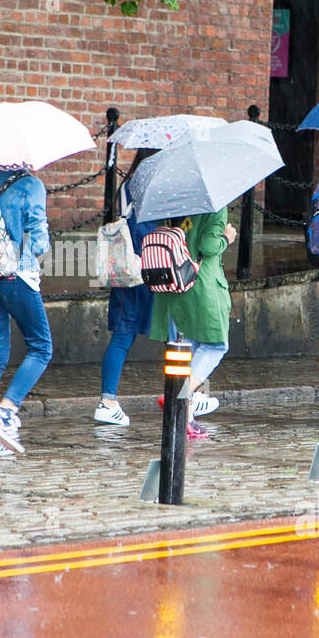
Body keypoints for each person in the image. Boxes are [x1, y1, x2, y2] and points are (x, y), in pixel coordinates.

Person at [0, 166, 52, 457]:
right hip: (17, 275)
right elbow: (38, 240)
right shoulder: (30, 184)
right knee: (41, 348)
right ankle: (4, 412)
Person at [148, 208, 236, 439]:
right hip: (199, 284)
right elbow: (208, 246)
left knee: (183, 349)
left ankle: (184, 416)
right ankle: (179, 393)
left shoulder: (170, 199)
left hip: (172, 282)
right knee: (215, 345)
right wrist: (226, 238)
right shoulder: (214, 207)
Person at [94, 150, 158, 426]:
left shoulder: (126, 185)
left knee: (123, 335)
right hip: (151, 267)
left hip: (127, 267)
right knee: (176, 334)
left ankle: (108, 399)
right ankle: (188, 393)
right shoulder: (156, 185)